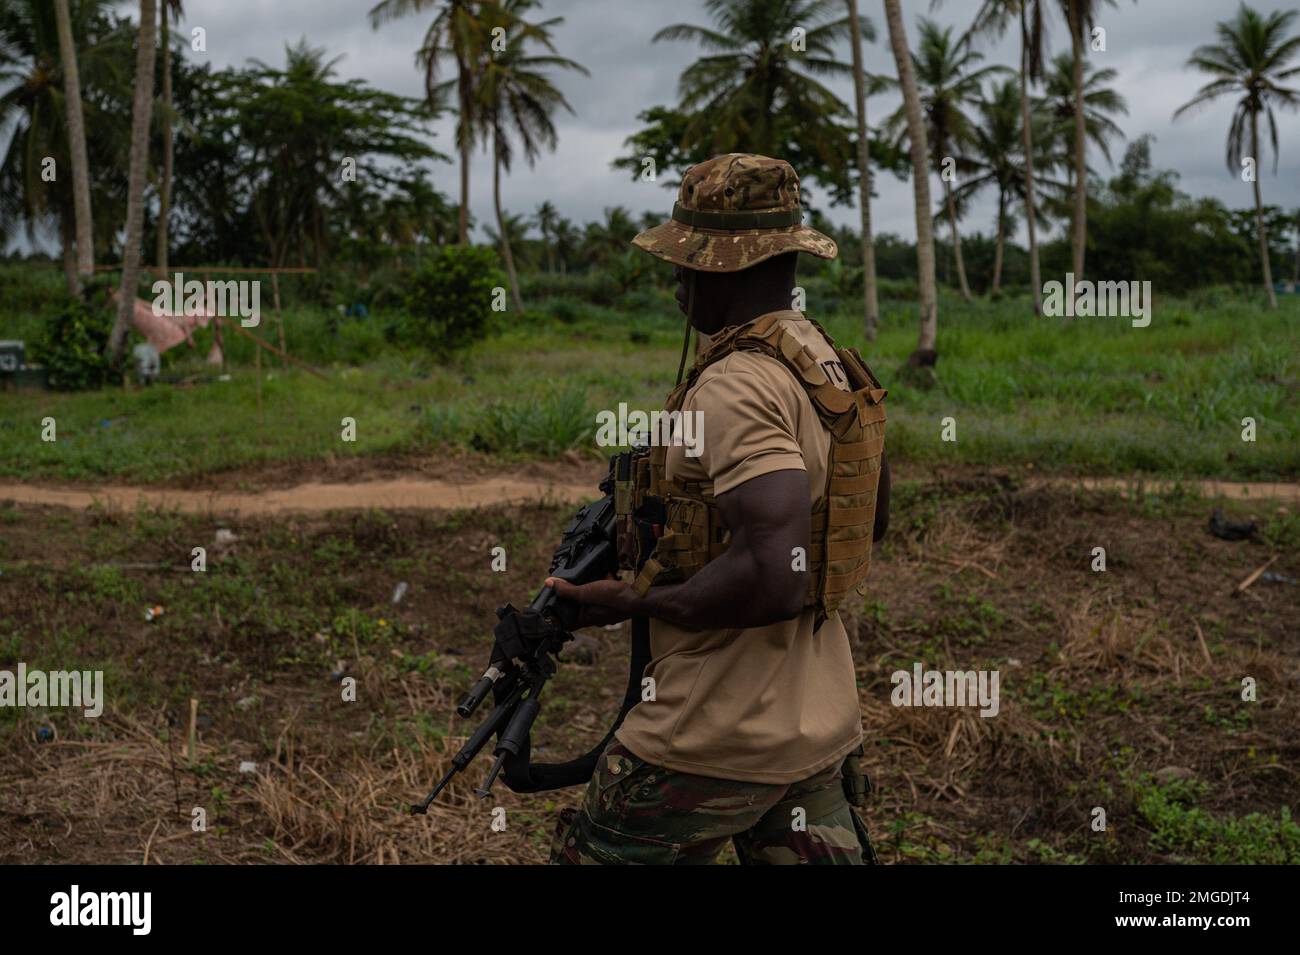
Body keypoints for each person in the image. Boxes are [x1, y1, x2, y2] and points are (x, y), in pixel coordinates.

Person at [547, 153, 890, 865]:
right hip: (811, 727)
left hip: (708, 735)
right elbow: (863, 520)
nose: (676, 281)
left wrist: (634, 601)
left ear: (721, 268)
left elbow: (774, 574)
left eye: (686, 263)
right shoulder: (823, 359)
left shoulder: (734, 386)